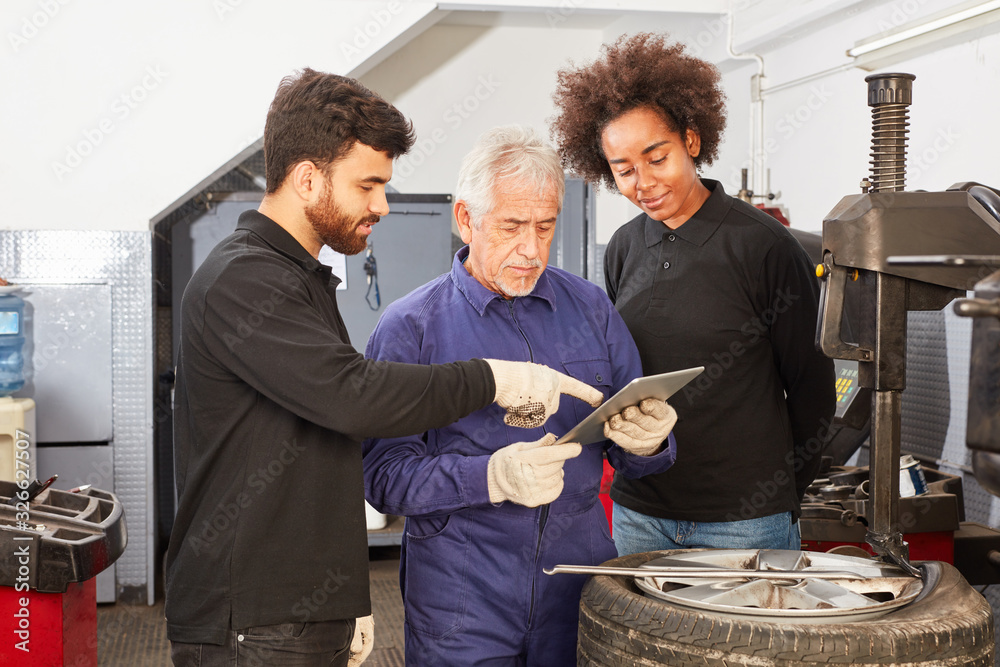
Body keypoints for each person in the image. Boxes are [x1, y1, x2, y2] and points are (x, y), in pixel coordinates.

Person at [165, 70, 603, 667]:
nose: (382, 205)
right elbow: (353, 398)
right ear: (307, 178)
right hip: (253, 616)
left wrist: (346, 598)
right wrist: (495, 380)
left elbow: (325, 448)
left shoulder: (302, 279)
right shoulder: (244, 278)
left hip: (297, 609)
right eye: (368, 185)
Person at [362, 125, 677, 665]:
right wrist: (491, 477)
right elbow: (384, 479)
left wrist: (649, 443)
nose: (531, 250)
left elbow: (633, 453)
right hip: (462, 591)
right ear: (465, 219)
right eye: (511, 227)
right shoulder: (411, 326)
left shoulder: (591, 311)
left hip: (577, 579)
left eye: (545, 227)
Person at [550, 33, 836, 555]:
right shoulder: (623, 247)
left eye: (656, 157)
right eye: (624, 170)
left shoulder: (764, 246)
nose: (643, 182)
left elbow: (813, 392)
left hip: (745, 522)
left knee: (743, 643)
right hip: (640, 512)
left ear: (692, 141)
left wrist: (778, 496)